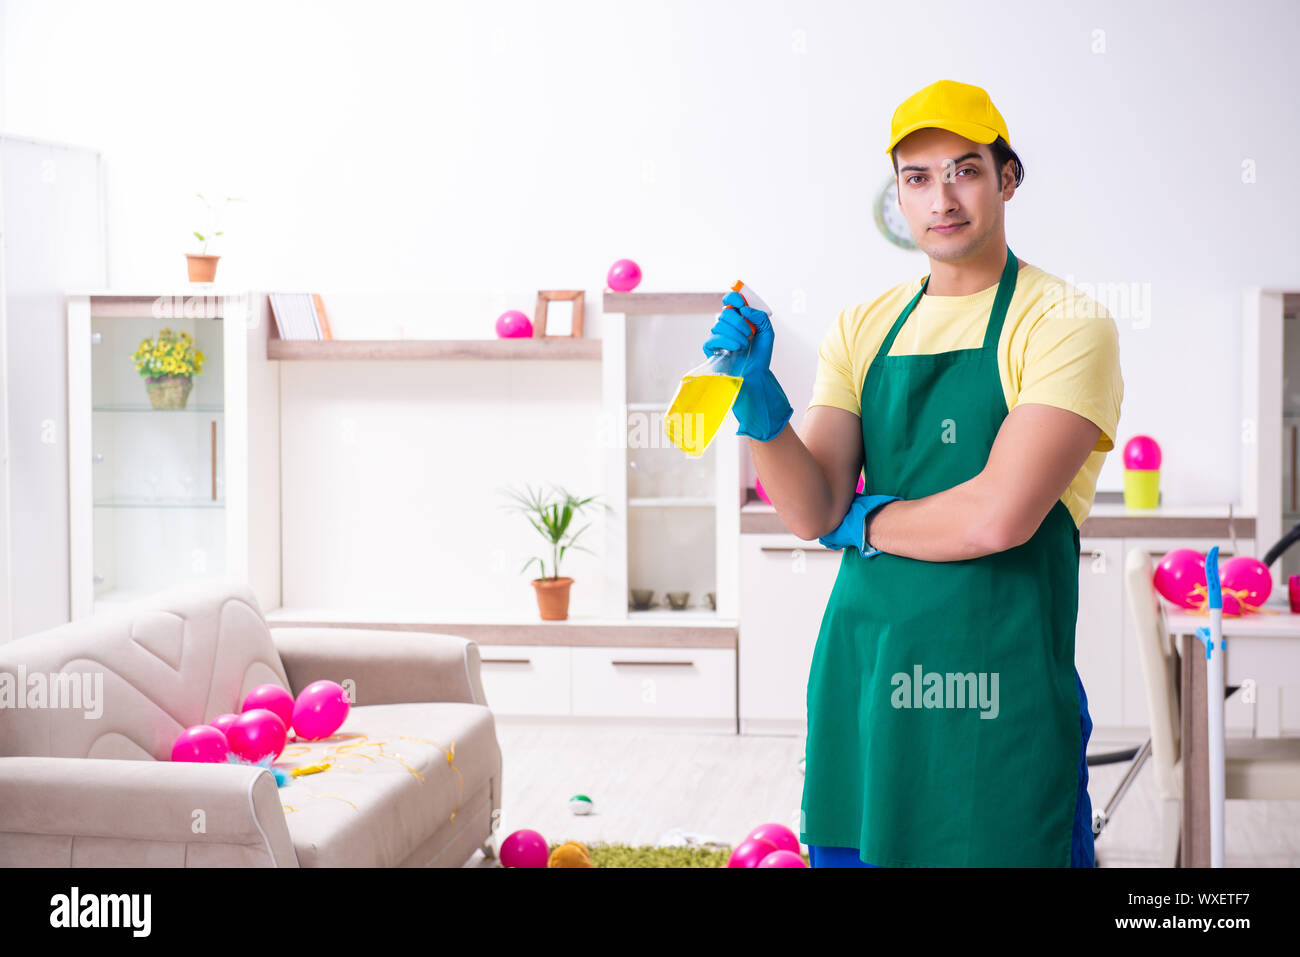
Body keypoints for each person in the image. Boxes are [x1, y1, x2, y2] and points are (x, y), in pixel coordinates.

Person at [702, 79, 1124, 867]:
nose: (943, 197)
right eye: (917, 178)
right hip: (866, 677)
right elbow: (810, 504)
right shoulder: (864, 325)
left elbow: (997, 516)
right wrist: (762, 413)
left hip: (1001, 697)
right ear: (898, 195)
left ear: (1007, 177)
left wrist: (861, 520)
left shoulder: (1063, 322)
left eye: (966, 169)